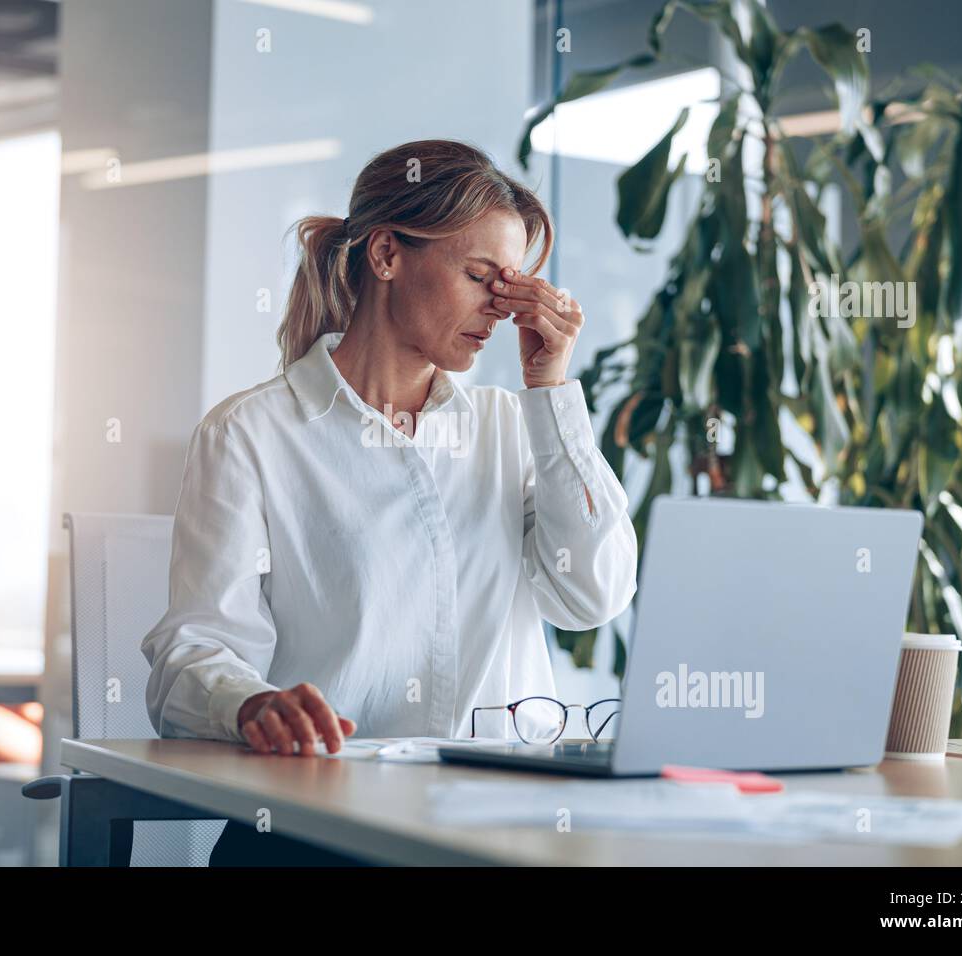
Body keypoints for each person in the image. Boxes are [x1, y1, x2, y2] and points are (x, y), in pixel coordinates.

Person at [141, 139, 638, 865]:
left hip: (496, 830)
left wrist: (553, 393)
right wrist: (251, 704)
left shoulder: (509, 427)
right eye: (479, 276)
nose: (501, 309)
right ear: (385, 256)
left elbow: (593, 597)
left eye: (514, 285)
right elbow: (192, 654)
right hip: (321, 824)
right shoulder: (251, 434)